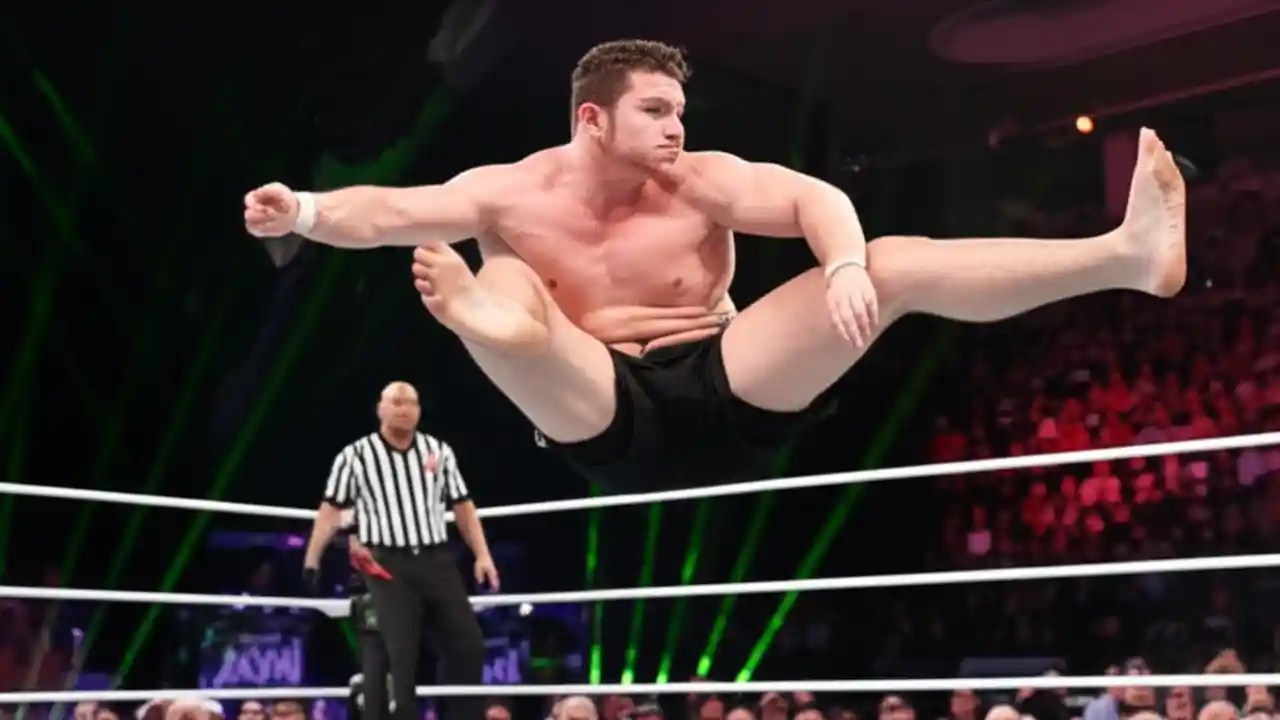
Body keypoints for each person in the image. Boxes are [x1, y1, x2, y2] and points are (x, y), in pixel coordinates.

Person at [245, 39, 1186, 490]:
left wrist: (849, 264)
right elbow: (389, 213)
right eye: (656, 110)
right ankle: (490, 321)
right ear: (593, 119)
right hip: (594, 401)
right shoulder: (512, 191)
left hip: (729, 390)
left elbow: (815, 199)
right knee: (509, 280)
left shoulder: (703, 181)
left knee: (894, 263)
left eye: (678, 110)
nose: (676, 126)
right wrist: (309, 209)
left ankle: (1125, 255)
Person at [302, 381, 499, 720]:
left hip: (436, 558)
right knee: (400, 658)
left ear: (419, 411)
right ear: (380, 408)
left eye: (411, 403)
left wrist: (483, 555)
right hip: (386, 563)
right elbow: (331, 509)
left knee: (468, 644)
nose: (404, 409)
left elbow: (463, 506)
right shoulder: (356, 455)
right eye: (396, 402)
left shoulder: (437, 451)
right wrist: (311, 559)